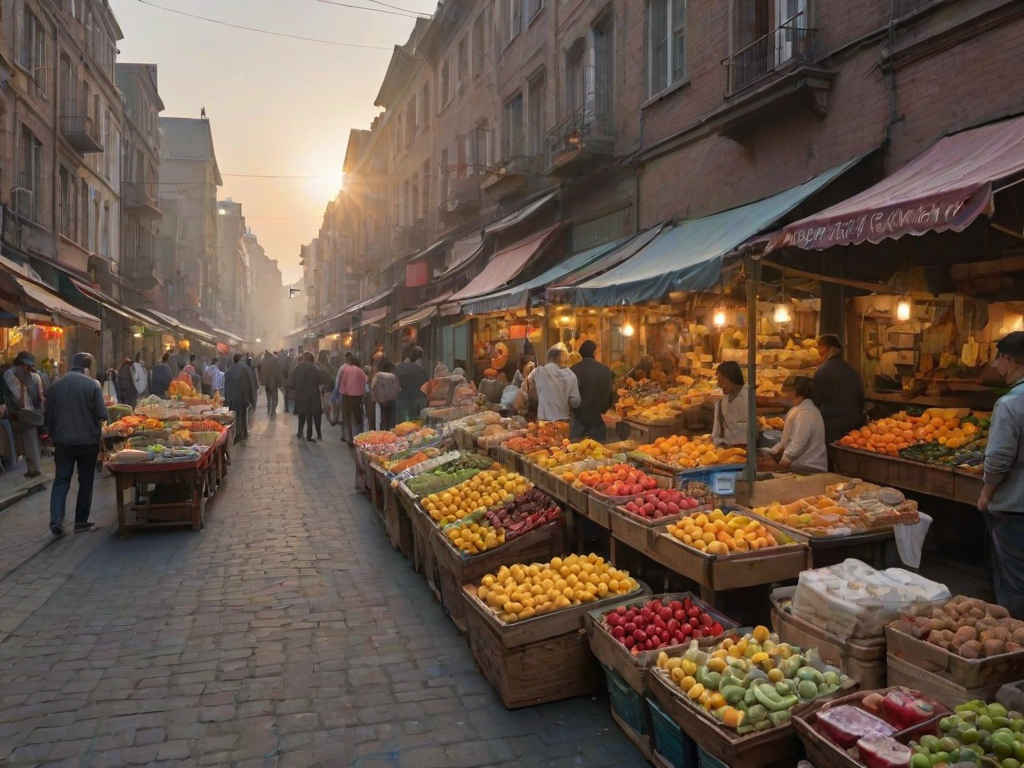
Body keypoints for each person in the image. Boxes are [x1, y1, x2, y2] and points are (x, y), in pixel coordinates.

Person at [979, 332, 1024, 615]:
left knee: (1015, 583)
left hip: (1014, 508)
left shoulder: (1010, 404)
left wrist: (986, 495)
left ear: (1009, 359)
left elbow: (998, 458)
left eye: (998, 358)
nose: (996, 366)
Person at [44, 352, 107, 536]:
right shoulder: (92, 385)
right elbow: (102, 414)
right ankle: (81, 521)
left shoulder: (54, 387)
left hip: (62, 442)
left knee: (61, 480)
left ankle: (56, 520)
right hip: (87, 441)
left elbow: (48, 417)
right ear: (87, 368)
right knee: (85, 481)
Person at [813, 334, 865, 448]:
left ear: (825, 350)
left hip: (830, 425)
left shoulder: (821, 372)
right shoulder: (853, 372)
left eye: (820, 353)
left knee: (830, 459)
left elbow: (816, 400)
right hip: (853, 425)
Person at [768, 376, 827, 474]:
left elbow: (798, 445)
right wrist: (772, 452)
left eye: (787, 392)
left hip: (809, 467)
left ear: (794, 392)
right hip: (800, 465)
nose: (785, 395)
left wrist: (781, 464)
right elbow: (786, 440)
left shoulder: (806, 413)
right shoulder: (798, 409)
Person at [4, 352, 44, 479]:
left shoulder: (32, 377)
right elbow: (16, 397)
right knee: (23, 442)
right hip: (17, 413)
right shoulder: (10, 374)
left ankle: (34, 469)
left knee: (30, 441)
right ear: (20, 365)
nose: (29, 369)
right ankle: (32, 468)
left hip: (28, 412)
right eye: (27, 366)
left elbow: (38, 395)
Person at [570, 340, 614, 441]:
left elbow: (570, 396)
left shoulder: (574, 370)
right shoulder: (605, 370)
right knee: (598, 453)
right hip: (598, 421)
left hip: (578, 421)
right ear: (594, 352)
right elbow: (608, 395)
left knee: (576, 452)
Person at [528, 343, 581, 422]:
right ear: (564, 359)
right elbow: (576, 402)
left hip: (544, 422)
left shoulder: (539, 372)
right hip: (563, 422)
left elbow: (529, 383)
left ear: (549, 358)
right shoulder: (571, 375)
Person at [711, 361, 750, 448]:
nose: (718, 384)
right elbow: (715, 435)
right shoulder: (720, 405)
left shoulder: (750, 397)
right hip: (729, 454)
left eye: (720, 380)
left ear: (731, 377)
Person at [290, 351, 324, 441]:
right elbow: (319, 380)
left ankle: (300, 432)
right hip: (313, 395)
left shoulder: (297, 367)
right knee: (313, 415)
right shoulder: (315, 368)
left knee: (302, 415)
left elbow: (292, 382)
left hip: (301, 394)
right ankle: (314, 434)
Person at [337, 353, 368, 443]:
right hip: (358, 397)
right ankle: (357, 436)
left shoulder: (346, 369)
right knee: (357, 417)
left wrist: (342, 393)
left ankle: (349, 437)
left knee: (348, 417)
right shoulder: (359, 370)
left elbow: (342, 382)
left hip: (347, 396)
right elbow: (365, 380)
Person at [224, 353, 254, 442]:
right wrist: (249, 398)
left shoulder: (229, 370)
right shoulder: (244, 369)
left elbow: (226, 385)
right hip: (242, 397)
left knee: (236, 416)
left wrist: (227, 398)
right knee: (243, 415)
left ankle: (238, 433)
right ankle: (243, 433)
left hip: (232, 398)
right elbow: (247, 385)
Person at [395, 346, 429, 423]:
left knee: (401, 423)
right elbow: (426, 387)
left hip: (400, 400)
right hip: (417, 400)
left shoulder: (399, 368)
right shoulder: (421, 370)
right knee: (415, 423)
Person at [371, 360, 400, 430]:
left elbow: (373, 387)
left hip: (382, 400)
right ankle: (391, 431)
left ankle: (383, 431)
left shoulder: (377, 375)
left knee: (383, 416)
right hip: (392, 399)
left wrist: (375, 398)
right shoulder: (393, 376)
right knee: (392, 417)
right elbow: (397, 388)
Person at [259, 350, 283, 415]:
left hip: (267, 382)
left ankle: (269, 409)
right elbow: (278, 371)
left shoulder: (264, 361)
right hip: (274, 382)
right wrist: (280, 382)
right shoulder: (275, 360)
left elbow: (262, 372)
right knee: (274, 397)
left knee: (268, 397)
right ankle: (273, 410)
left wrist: (262, 382)